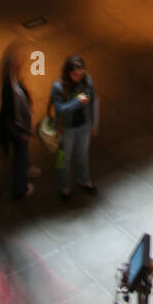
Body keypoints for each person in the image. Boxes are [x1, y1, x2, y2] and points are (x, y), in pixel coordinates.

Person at [51, 55, 99, 201]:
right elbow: (60, 109)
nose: (78, 77)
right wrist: (77, 101)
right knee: (62, 159)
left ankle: (84, 180)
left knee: (82, 154)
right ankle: (64, 187)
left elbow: (93, 101)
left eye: (81, 74)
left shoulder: (87, 81)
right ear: (68, 73)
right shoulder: (58, 87)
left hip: (84, 125)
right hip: (66, 128)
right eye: (75, 75)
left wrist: (94, 124)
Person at [0, 44, 40, 200]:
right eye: (18, 58)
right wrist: (22, 133)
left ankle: (26, 170)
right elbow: (10, 114)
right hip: (17, 130)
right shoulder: (10, 86)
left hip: (20, 127)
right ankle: (20, 189)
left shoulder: (12, 79)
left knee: (22, 155)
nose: (22, 60)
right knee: (19, 158)